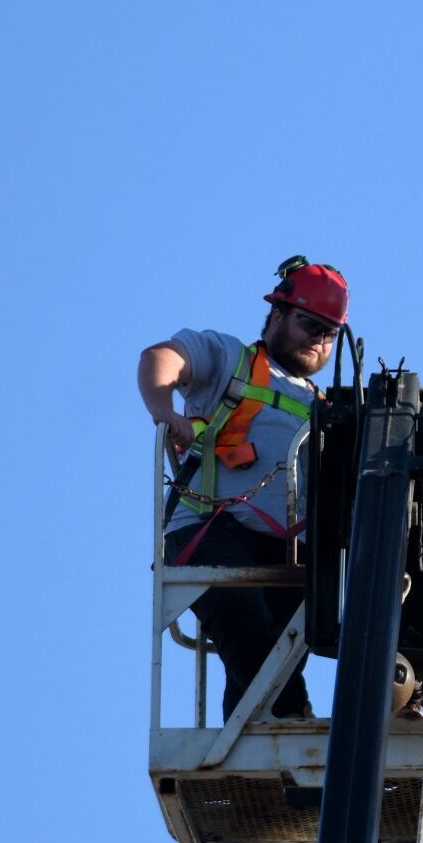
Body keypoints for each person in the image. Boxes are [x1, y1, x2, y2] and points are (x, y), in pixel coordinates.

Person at [139, 256, 349, 722]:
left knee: (281, 641)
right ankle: (290, 718)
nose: (318, 340)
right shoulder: (229, 359)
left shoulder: (325, 405)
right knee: (242, 611)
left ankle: (253, 738)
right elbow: (161, 358)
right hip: (209, 527)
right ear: (277, 314)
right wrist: (165, 412)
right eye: (310, 324)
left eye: (329, 333)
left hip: (288, 548)